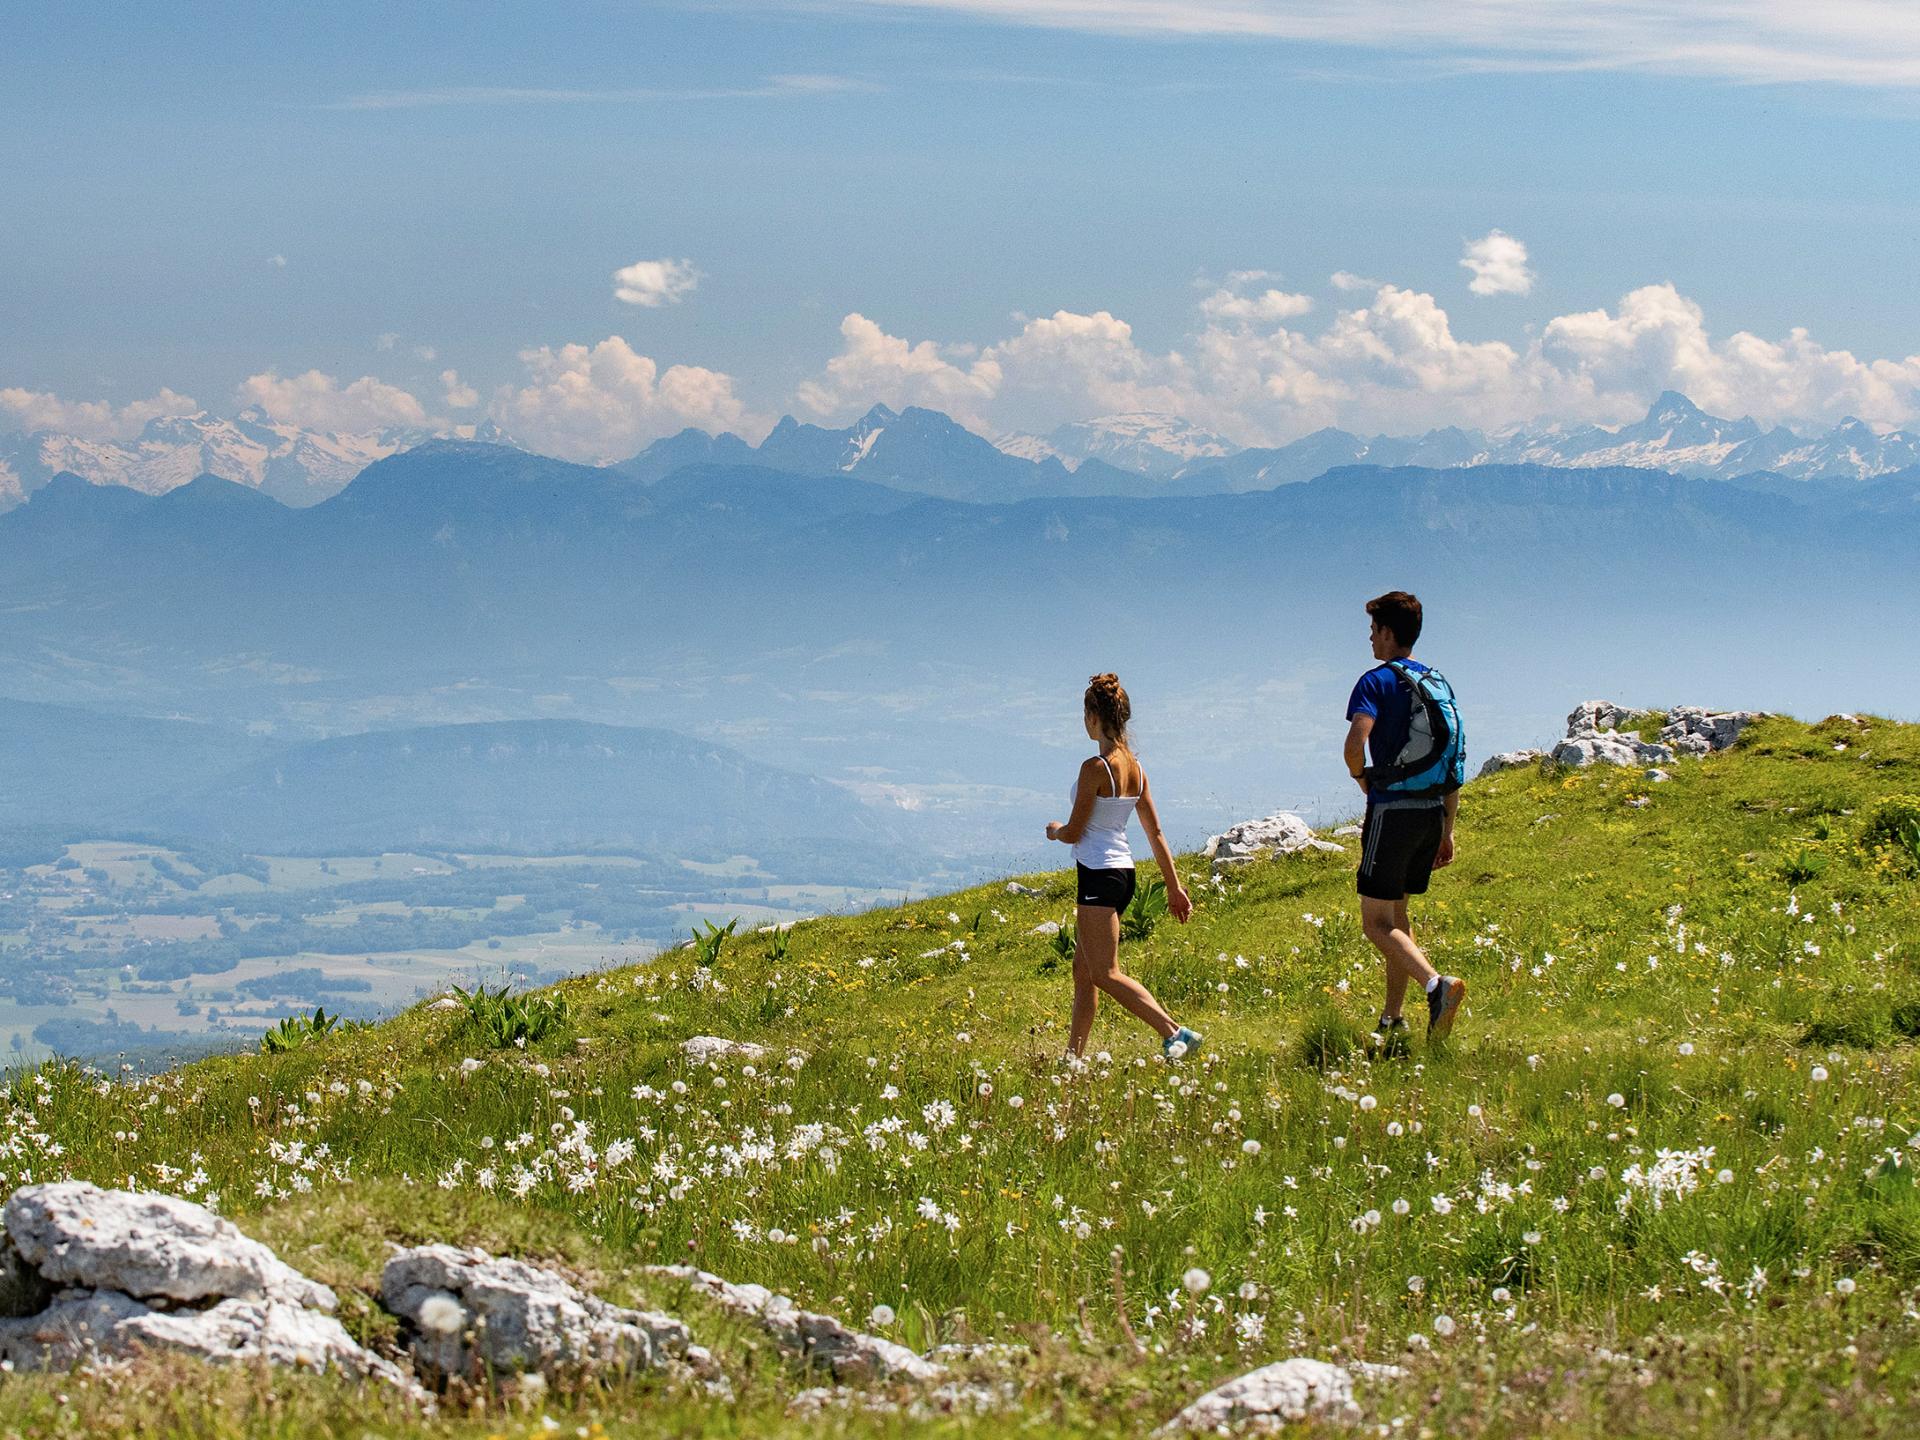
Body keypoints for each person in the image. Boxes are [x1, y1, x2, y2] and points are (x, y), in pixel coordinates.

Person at [1045, 673, 1200, 1060]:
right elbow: (1156, 832)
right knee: (1084, 974)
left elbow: (1076, 830)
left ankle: (1175, 1032)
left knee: (1105, 973)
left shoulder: (1095, 768)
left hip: (1097, 874)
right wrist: (1174, 886)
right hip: (1123, 874)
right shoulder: (1137, 768)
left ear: (1093, 717)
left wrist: (1054, 832)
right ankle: (1073, 1060)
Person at [1343, 592, 1467, 1048]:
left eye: (1374, 629)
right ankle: (1393, 1019)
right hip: (1432, 813)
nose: (1370, 637)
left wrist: (1363, 779)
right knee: (1398, 916)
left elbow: (1355, 744)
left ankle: (1437, 986)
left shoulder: (1374, 683)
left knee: (1374, 923)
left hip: (1392, 814)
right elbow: (1453, 764)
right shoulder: (1436, 682)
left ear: (1389, 633)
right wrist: (1448, 829)